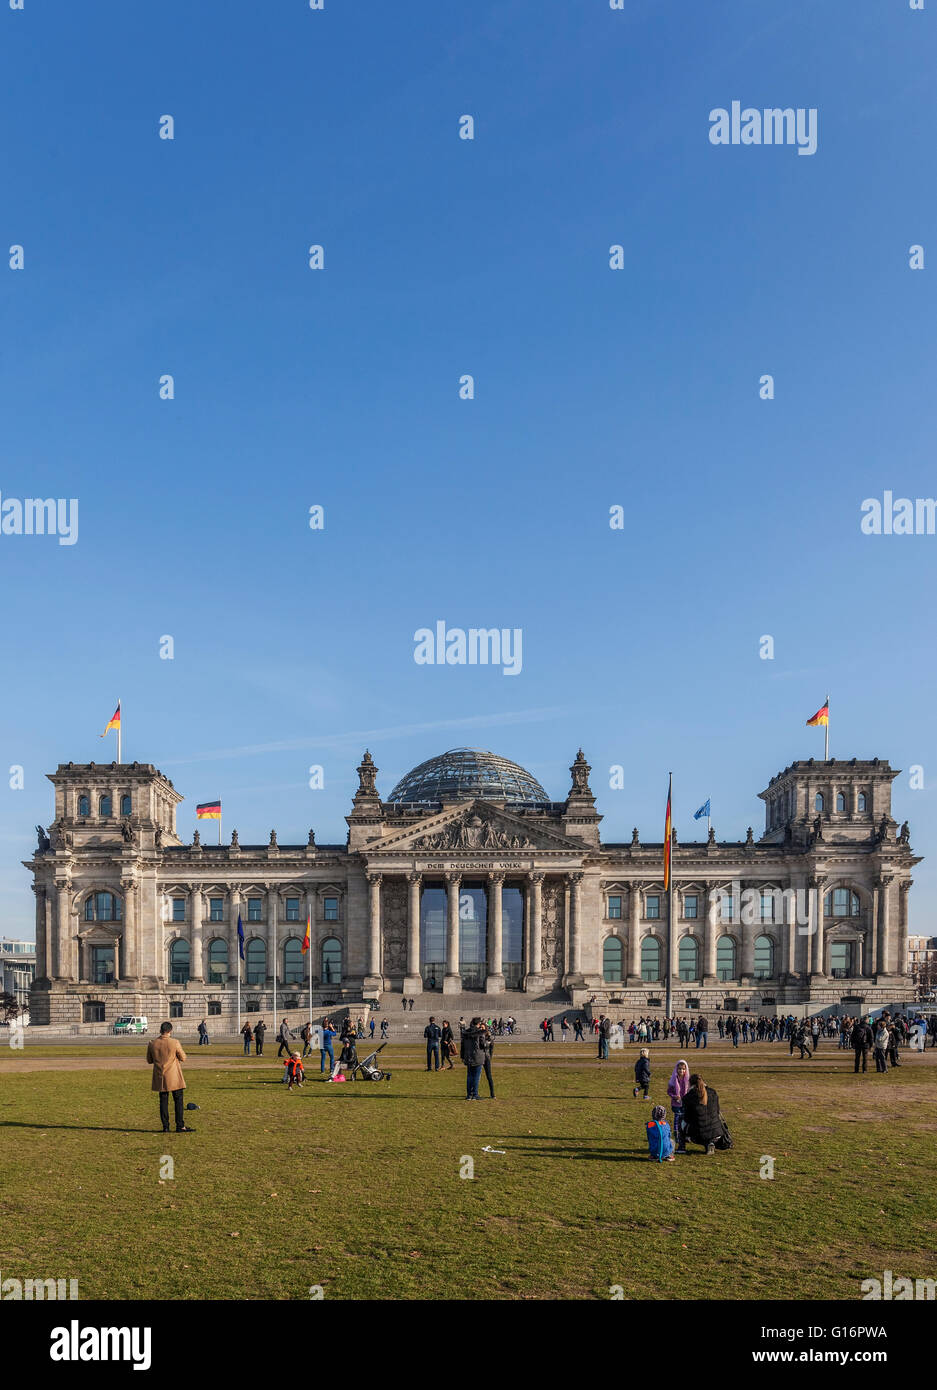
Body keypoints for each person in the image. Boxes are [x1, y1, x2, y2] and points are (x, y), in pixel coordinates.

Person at [146, 1021, 193, 1133]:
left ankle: (165, 1126)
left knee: (163, 1101)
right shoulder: (174, 1042)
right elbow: (183, 1057)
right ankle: (180, 1125)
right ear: (170, 1031)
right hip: (173, 1076)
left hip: (160, 1076)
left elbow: (149, 1060)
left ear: (160, 1030)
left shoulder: (152, 1043)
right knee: (178, 1101)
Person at [683, 1074, 723, 1155]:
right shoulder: (713, 1092)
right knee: (708, 1124)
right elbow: (717, 1111)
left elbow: (687, 1118)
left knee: (681, 1120)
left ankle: (682, 1144)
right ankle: (710, 1143)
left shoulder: (688, 1097)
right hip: (717, 1132)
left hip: (698, 1134)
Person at [460, 1016, 489, 1100]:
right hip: (478, 1056)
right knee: (476, 1076)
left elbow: (462, 1045)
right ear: (479, 1023)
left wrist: (462, 1056)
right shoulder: (480, 1033)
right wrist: (487, 1044)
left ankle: (469, 1094)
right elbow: (482, 1045)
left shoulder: (466, 1032)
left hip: (468, 1055)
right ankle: (475, 1094)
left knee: (469, 1076)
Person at [667, 1059, 690, 1154]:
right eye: (680, 1069)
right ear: (676, 1070)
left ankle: (685, 1135)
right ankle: (676, 1133)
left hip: (684, 1103)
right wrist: (674, 1096)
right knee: (677, 1118)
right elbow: (669, 1091)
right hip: (676, 1103)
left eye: (683, 1069)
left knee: (685, 1119)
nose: (681, 1071)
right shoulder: (674, 1079)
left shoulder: (687, 1080)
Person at [479, 1020, 496, 1098]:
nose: (481, 1029)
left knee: (489, 1076)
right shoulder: (477, 1037)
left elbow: (491, 1049)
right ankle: (474, 1093)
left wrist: (489, 1057)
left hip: (486, 1058)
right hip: (478, 1058)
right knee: (477, 1076)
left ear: (485, 1028)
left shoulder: (489, 1038)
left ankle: (492, 1094)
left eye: (483, 1028)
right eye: (480, 1028)